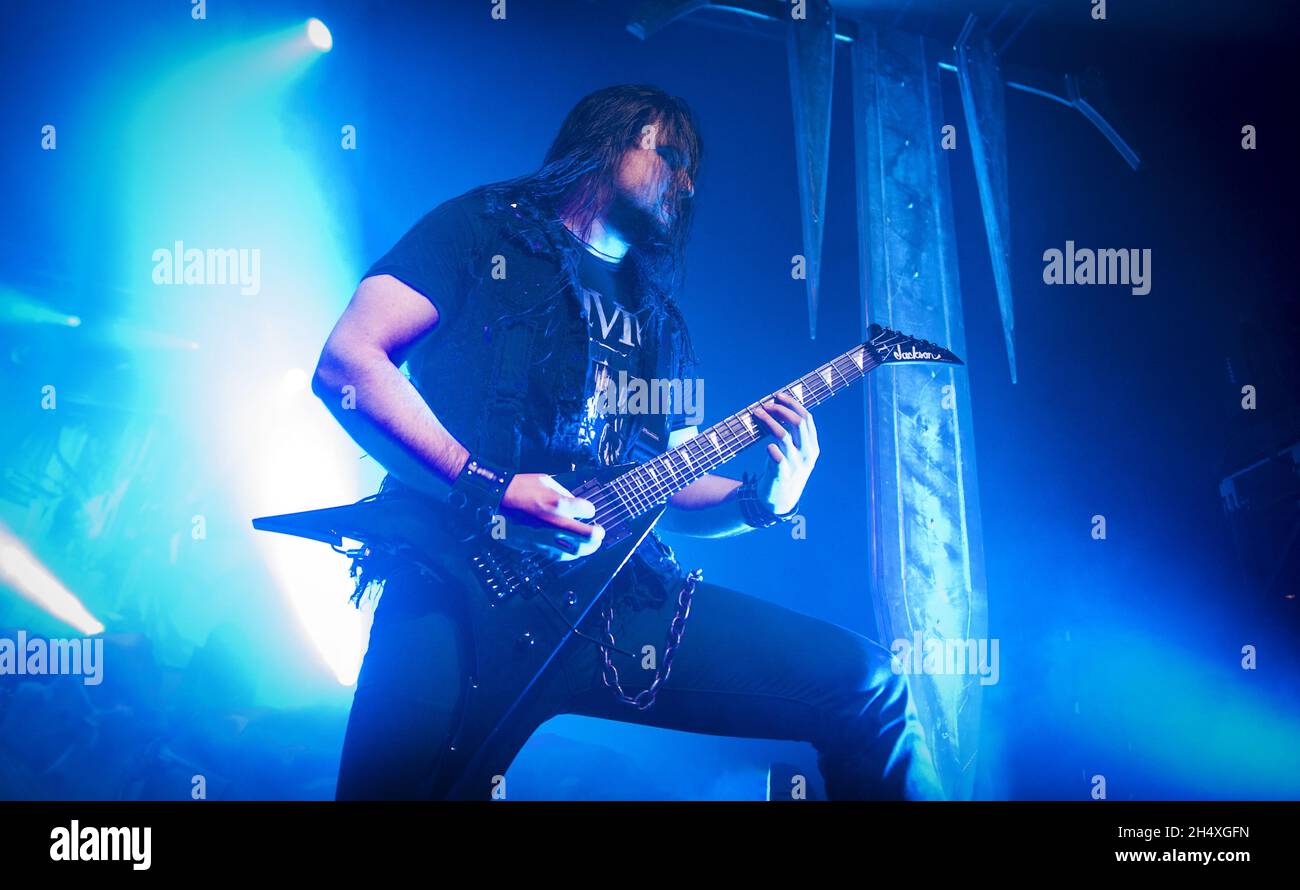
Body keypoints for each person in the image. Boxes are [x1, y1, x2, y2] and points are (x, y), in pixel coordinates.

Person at [312, 84, 944, 800]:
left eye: (693, 168)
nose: (689, 182)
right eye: (671, 155)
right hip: (455, 581)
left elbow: (670, 488)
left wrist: (762, 500)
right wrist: (490, 486)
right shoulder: (481, 230)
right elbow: (349, 362)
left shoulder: (657, 319)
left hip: (613, 600)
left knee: (867, 686)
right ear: (608, 140)